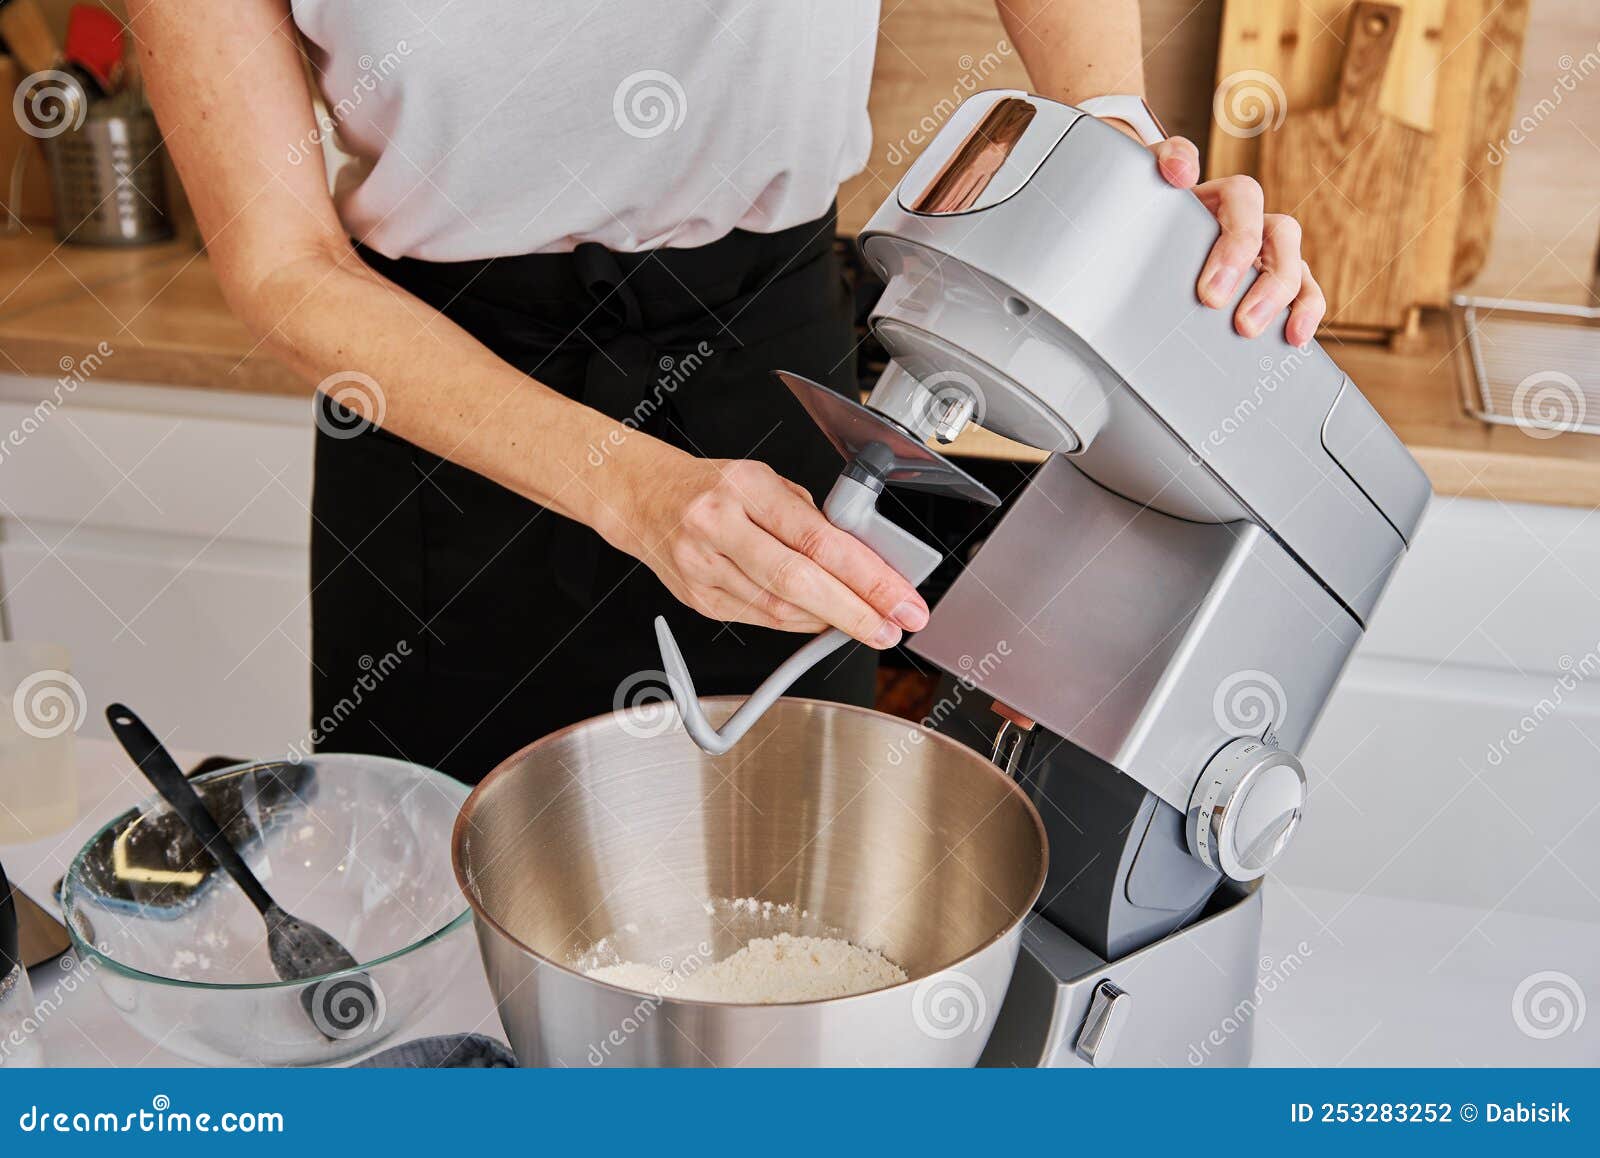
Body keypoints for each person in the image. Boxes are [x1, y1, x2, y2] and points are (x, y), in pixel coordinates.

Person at [129, 1, 1325, 782]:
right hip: (442, 415)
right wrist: (629, 487)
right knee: (442, 960)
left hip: (767, 352)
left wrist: (1117, 159)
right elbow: (284, 265)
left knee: (783, 928)